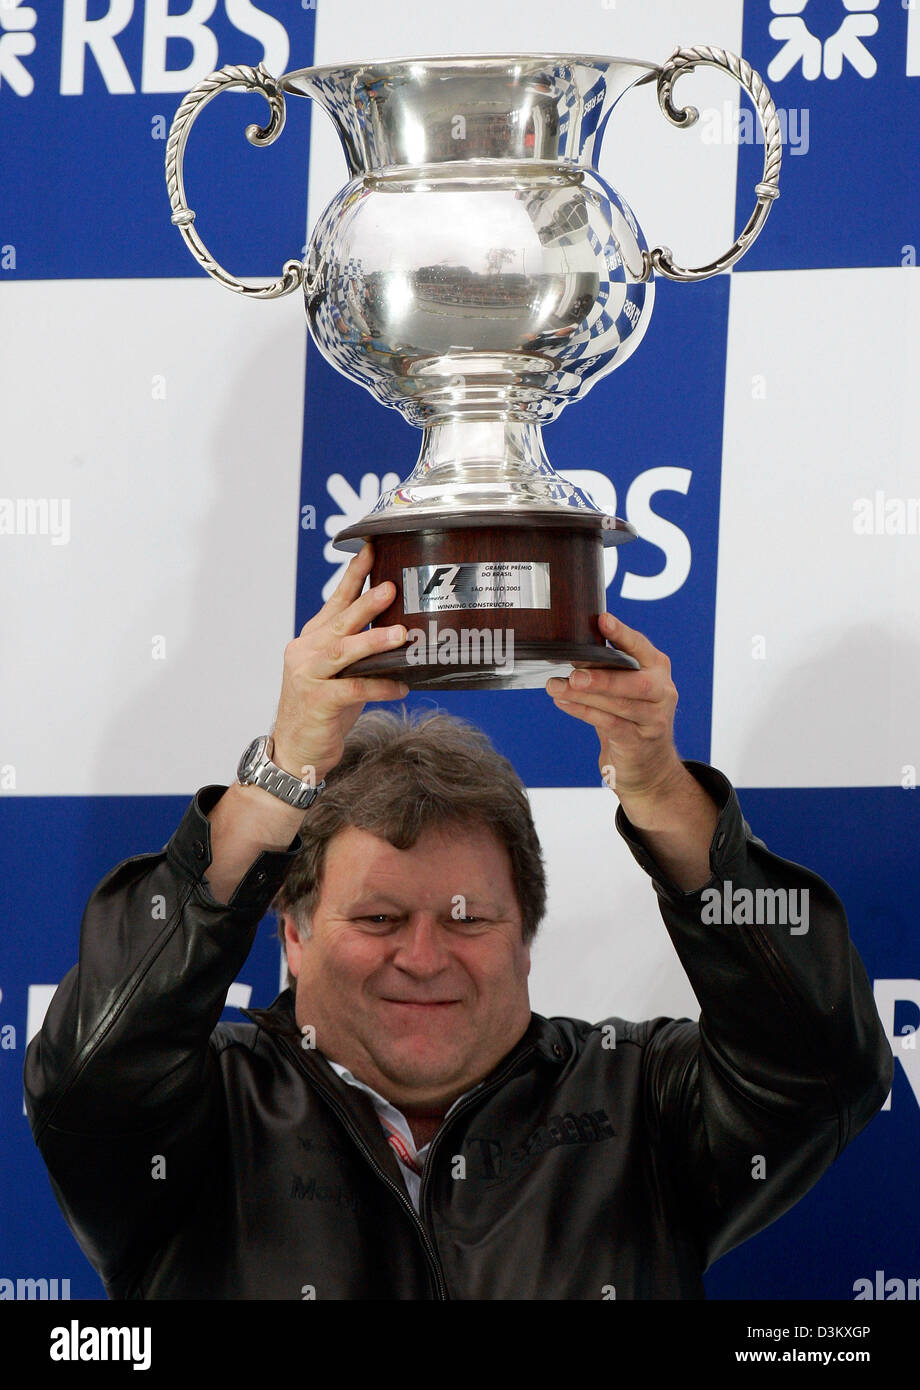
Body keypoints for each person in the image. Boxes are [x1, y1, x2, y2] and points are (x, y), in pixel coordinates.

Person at [24, 542, 892, 1300]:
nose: (425, 955)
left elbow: (821, 1063)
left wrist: (663, 793)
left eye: (470, 918)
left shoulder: (637, 1106)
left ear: (525, 941)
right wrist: (280, 776)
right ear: (290, 932)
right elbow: (91, 1063)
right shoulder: (197, 1120)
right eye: (378, 917)